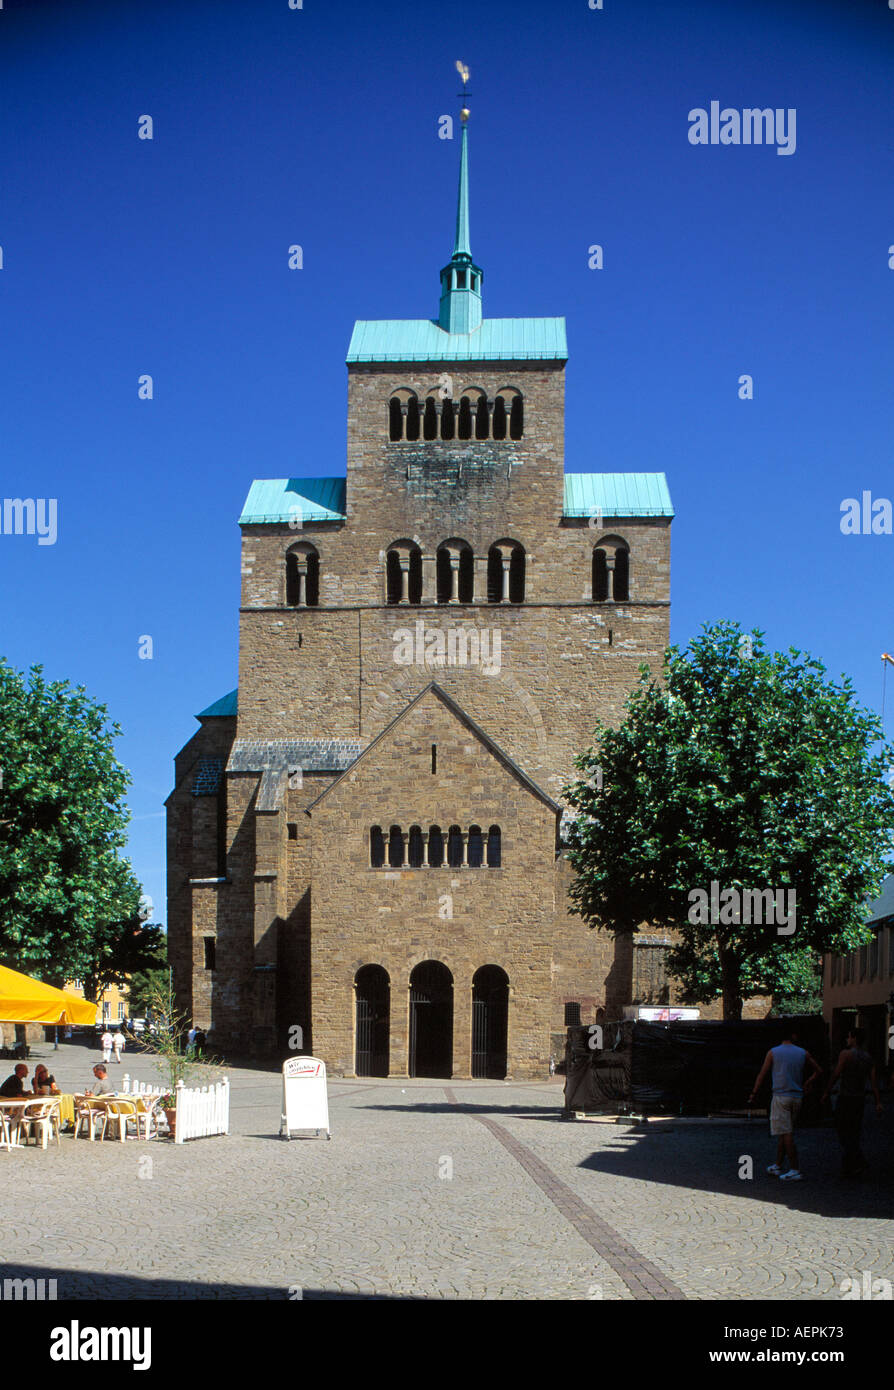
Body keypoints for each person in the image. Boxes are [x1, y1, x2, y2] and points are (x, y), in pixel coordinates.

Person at [748, 1020, 822, 1182]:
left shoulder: (773, 1052)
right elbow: (818, 1070)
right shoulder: (803, 1052)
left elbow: (762, 1074)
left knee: (786, 1133)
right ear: (794, 1036)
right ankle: (778, 1164)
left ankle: (795, 1168)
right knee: (785, 1131)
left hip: (781, 1096)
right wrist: (808, 1083)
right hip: (797, 1096)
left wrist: (754, 1093)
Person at [822, 1027, 883, 1177]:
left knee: (843, 1129)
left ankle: (855, 1160)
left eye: (849, 1037)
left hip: (846, 1097)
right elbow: (874, 1083)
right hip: (860, 1098)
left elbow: (836, 1074)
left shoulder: (846, 1054)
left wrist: (826, 1092)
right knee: (854, 1130)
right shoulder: (868, 1058)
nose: (846, 1039)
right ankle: (853, 1162)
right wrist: (878, 1102)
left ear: (854, 1039)